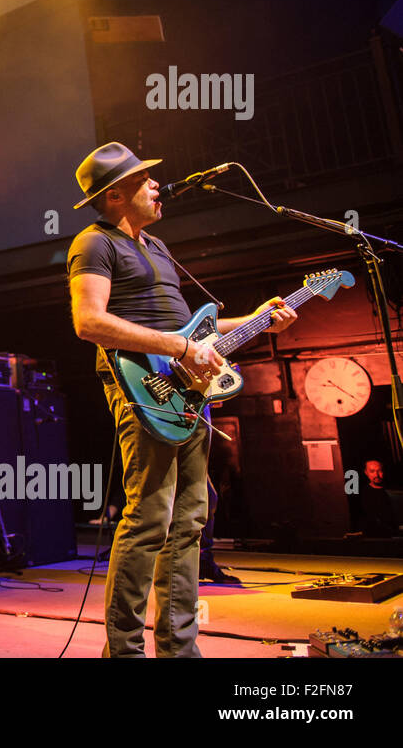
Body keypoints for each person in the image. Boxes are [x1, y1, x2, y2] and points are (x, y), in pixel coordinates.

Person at [66, 142, 295, 657]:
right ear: (117, 194)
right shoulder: (93, 243)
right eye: (144, 179)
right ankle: (123, 651)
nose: (155, 185)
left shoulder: (158, 246)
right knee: (148, 517)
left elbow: (198, 334)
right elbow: (88, 322)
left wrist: (259, 317)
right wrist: (180, 346)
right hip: (142, 388)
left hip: (188, 393)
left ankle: (179, 650)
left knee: (189, 520)